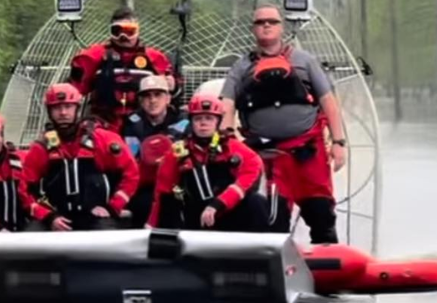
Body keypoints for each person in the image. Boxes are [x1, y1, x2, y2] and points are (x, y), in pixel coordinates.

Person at [218, 5, 348, 243]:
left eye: (271, 21)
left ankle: (327, 259)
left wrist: (339, 142)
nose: (266, 25)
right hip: (269, 157)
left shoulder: (304, 60)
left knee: (321, 214)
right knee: (274, 220)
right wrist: (228, 141)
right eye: (260, 22)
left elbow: (328, 101)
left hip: (309, 153)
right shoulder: (241, 67)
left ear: (282, 27)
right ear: (253, 29)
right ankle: (277, 264)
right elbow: (227, 103)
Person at [23, 83, 140, 230]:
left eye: (68, 107)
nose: (63, 112)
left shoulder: (103, 139)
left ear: (77, 109)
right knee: (30, 238)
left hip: (95, 217)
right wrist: (47, 216)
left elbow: (131, 173)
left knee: (107, 243)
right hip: (55, 218)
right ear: (49, 111)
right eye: (57, 108)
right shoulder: (40, 147)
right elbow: (23, 187)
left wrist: (112, 207)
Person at [148, 94, 269, 231]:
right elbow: (162, 192)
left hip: (229, 212)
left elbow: (252, 171)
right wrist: (151, 226)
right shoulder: (177, 152)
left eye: (209, 118)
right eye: (198, 118)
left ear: (218, 122)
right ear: (191, 122)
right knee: (168, 202)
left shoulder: (233, 147)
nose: (203, 123)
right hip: (196, 217)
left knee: (256, 202)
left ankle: (259, 248)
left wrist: (219, 203)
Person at [68, 7, 175, 132]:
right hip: (103, 124)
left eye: (129, 31)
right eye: (117, 31)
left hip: (144, 126)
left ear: (138, 31)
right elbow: (72, 90)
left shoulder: (155, 58)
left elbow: (174, 91)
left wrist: (173, 84)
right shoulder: (93, 56)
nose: (123, 37)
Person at [120, 75, 188, 227]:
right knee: (143, 204)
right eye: (147, 96)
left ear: (168, 98)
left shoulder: (184, 121)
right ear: (140, 100)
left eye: (158, 94)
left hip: (179, 182)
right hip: (146, 184)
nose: (153, 101)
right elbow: (130, 161)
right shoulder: (131, 123)